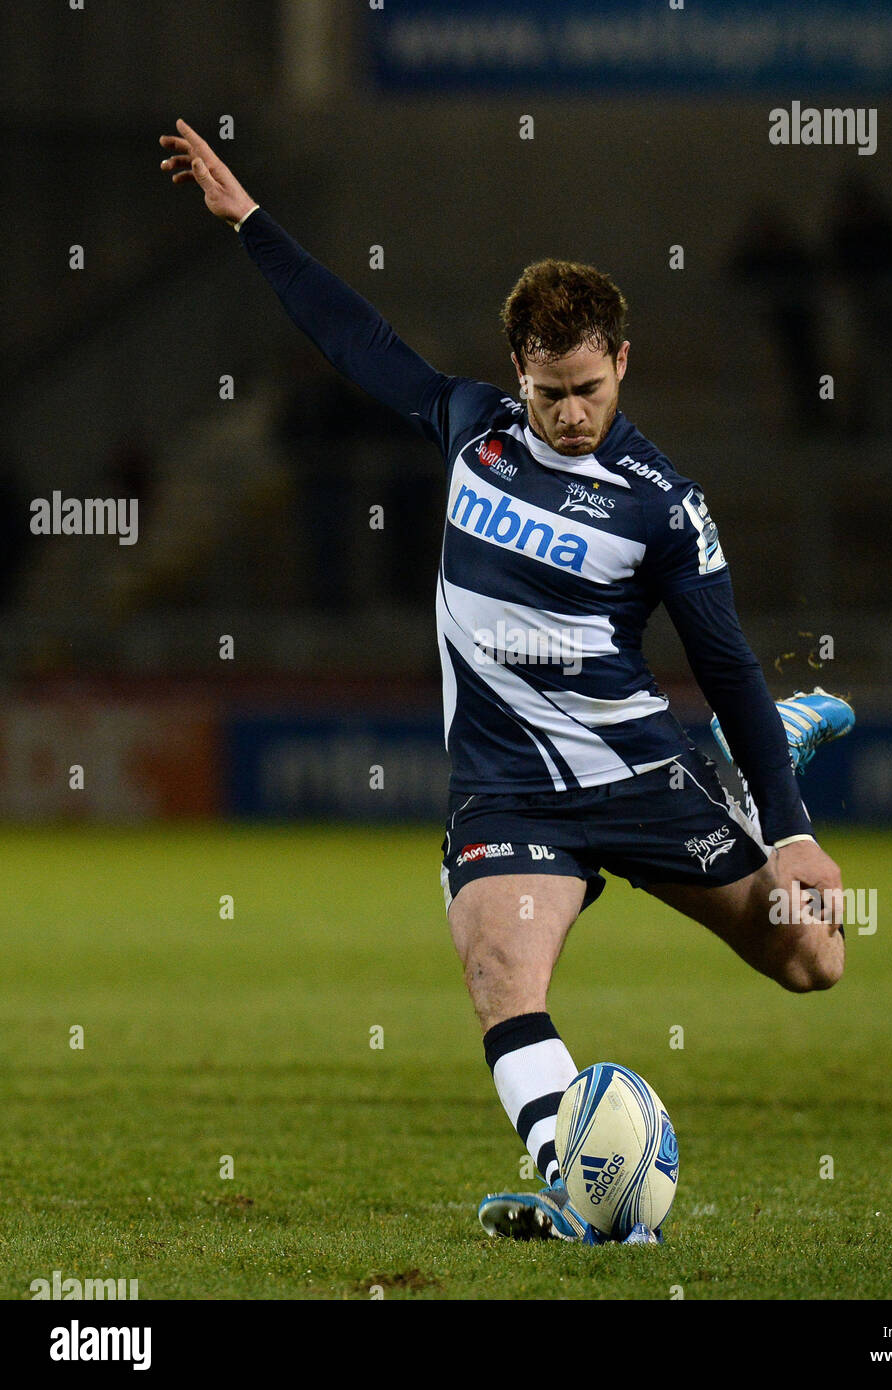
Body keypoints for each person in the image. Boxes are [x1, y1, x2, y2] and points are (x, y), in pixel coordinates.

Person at [161, 119, 854, 1245]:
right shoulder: (469, 426)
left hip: (637, 770)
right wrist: (250, 224)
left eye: (584, 388)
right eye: (546, 393)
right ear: (516, 374)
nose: (567, 414)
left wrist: (790, 835)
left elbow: (723, 661)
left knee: (811, 958)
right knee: (498, 970)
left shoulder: (660, 504)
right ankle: (584, 1195)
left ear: (621, 360)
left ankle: (735, 766)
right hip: (507, 792)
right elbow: (354, 335)